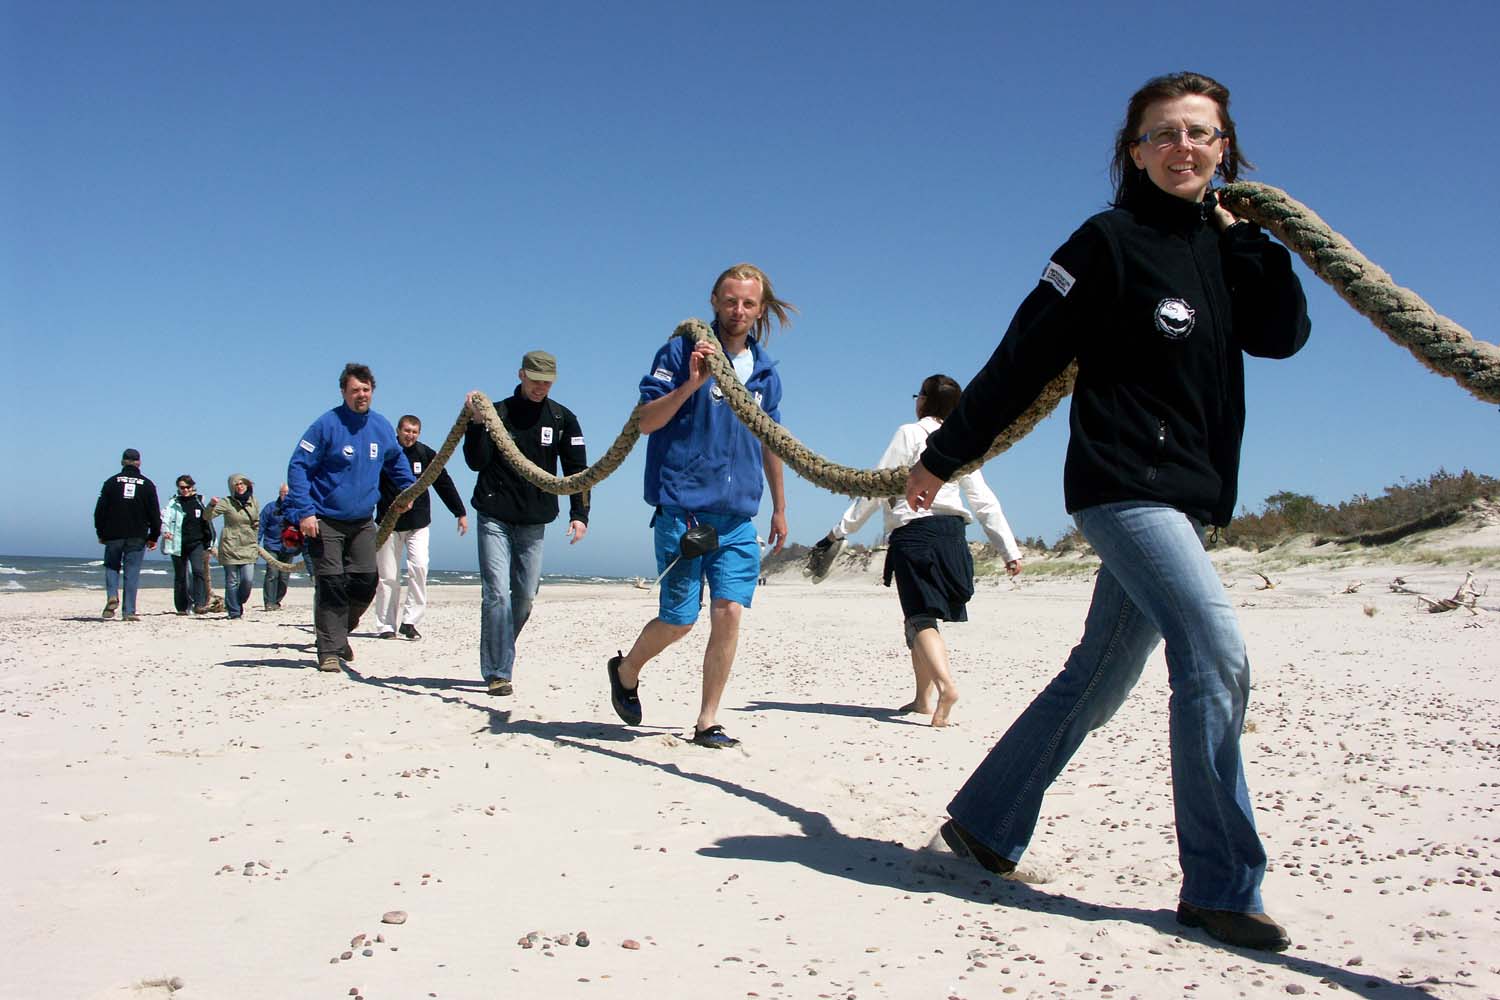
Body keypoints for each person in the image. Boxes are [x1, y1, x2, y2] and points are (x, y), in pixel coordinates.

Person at [904, 72, 1310, 951]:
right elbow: (1019, 357)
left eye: (1200, 134)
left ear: (1224, 147)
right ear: (1134, 152)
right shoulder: (1105, 241)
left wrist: (1253, 248)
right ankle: (1221, 885)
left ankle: (986, 818)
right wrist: (943, 455)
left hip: (1193, 497)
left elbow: (1281, 336)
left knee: (1100, 675)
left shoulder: (1229, 247)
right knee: (1213, 653)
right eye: (1162, 135)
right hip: (1122, 487)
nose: (1183, 148)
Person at [606, 264, 791, 749]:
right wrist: (690, 383)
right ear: (714, 300)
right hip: (683, 511)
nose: (739, 311)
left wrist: (779, 506)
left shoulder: (766, 373)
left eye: (749, 303)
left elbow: (771, 441)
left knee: (729, 613)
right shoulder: (679, 351)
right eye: (731, 301)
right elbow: (645, 421)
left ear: (760, 309)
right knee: (680, 620)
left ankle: (708, 719)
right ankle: (626, 671)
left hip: (737, 517)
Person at [816, 374, 1023, 727]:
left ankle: (946, 688)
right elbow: (983, 500)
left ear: (923, 401)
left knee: (919, 616)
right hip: (953, 534)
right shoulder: (961, 439)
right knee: (924, 618)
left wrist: (839, 532)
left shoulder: (910, 433)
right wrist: (1009, 549)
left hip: (916, 533)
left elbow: (877, 487)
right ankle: (921, 698)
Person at [463, 350, 588, 696]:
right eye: (535, 380)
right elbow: (476, 462)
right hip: (494, 515)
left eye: (547, 381)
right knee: (497, 594)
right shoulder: (497, 413)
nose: (540, 387)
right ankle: (498, 671)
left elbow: (577, 470)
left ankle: (499, 648)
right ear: (521, 375)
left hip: (535, 519)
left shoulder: (563, 419)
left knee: (526, 598)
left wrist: (580, 515)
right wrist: (475, 425)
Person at [286, 363, 415, 673]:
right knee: (331, 583)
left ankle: (340, 631)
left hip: (361, 521)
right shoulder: (326, 425)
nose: (362, 395)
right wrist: (304, 511)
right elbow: (298, 466)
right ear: (343, 391)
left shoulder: (381, 427)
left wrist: (408, 490)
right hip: (325, 519)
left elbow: (396, 461)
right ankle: (328, 649)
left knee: (366, 581)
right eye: (355, 390)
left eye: (366, 389)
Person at [373, 415, 469, 640]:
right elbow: (368, 483)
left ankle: (410, 621)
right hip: (389, 523)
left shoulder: (426, 454)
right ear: (398, 431)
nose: (410, 435)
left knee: (419, 567)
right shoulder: (385, 453)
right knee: (388, 576)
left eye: (414, 432)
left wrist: (459, 512)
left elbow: (443, 482)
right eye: (406, 431)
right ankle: (386, 625)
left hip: (418, 522)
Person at [94, 448, 161, 621]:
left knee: (111, 566)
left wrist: (100, 532)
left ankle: (112, 595)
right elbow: (154, 513)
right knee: (132, 572)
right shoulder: (147, 484)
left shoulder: (111, 482)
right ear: (139, 463)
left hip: (113, 533)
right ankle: (129, 611)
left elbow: (100, 511)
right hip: (137, 534)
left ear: (122, 462)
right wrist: (154, 536)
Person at [204, 474, 260, 620]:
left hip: (248, 544)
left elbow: (256, 520)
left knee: (247, 580)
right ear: (232, 487)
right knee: (232, 580)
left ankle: (236, 601)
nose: (240, 486)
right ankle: (234, 611)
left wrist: (256, 533)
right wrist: (211, 505)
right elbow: (207, 517)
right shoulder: (226, 502)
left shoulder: (253, 501)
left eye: (242, 483)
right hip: (231, 544)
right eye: (237, 484)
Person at [161, 474, 215, 615]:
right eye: (182, 487)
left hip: (196, 542)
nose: (185, 490)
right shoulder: (173, 502)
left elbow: (207, 521)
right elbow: (165, 518)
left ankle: (200, 604)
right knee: (180, 576)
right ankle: (182, 607)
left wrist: (209, 542)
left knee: (198, 571)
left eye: (187, 487)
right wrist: (165, 531)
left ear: (192, 487)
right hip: (177, 543)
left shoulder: (199, 501)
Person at [258, 483, 299, 611]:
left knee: (284, 577)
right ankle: (269, 602)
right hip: (272, 545)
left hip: (289, 546)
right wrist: (256, 543)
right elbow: (261, 526)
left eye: (288, 493)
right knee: (272, 573)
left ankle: (277, 601)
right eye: (283, 493)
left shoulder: (296, 509)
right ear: (279, 493)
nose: (285, 495)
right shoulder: (270, 508)